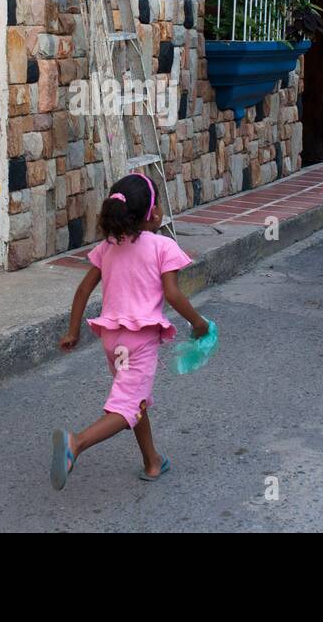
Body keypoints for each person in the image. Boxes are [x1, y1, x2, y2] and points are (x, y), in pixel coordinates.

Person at [52, 173, 209, 488]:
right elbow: (174, 294)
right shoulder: (163, 246)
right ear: (152, 214)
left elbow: (83, 291)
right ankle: (76, 443)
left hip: (112, 342)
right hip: (139, 343)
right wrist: (198, 323)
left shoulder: (109, 246)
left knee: (135, 399)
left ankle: (152, 461)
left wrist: (73, 332)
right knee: (127, 407)